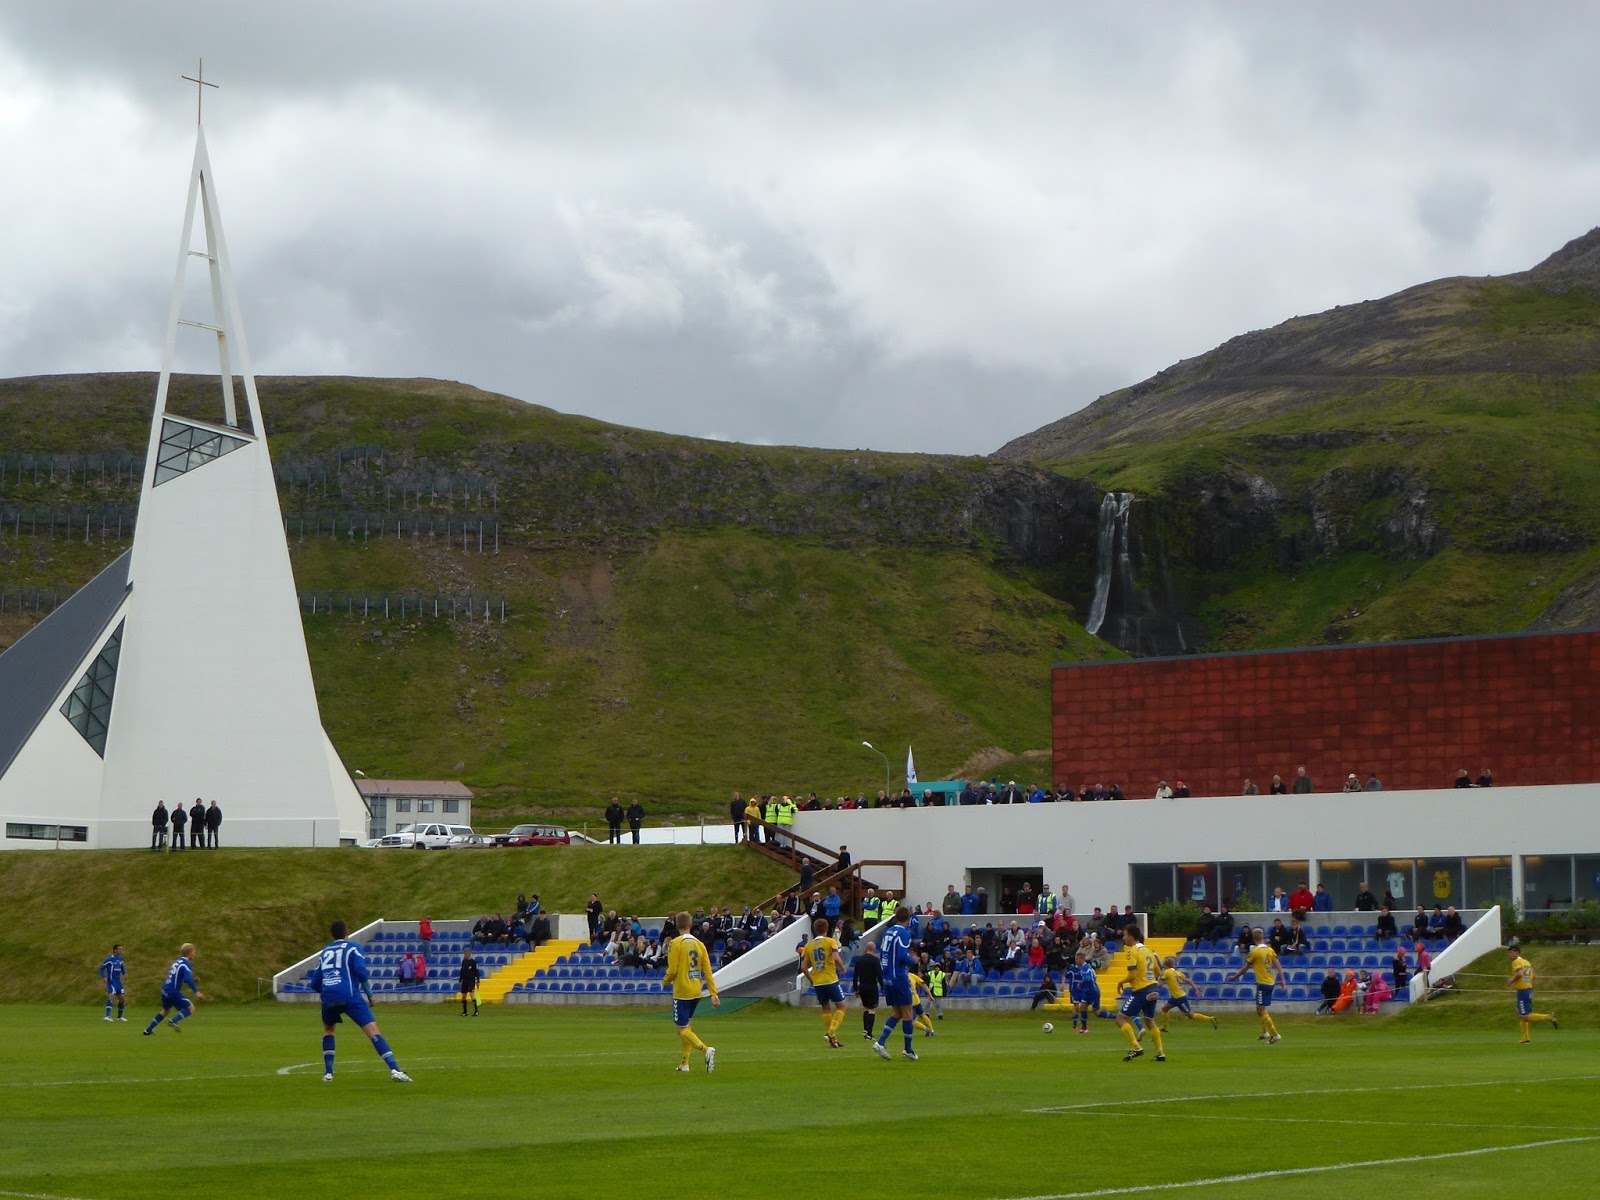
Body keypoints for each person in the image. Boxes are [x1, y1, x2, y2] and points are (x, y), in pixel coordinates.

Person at [310, 920, 411, 1082]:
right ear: (347, 933)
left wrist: (329, 990)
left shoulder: (325, 951)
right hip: (350, 995)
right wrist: (370, 995)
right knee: (373, 1031)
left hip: (328, 996)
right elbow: (361, 972)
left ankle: (328, 1074)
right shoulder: (353, 948)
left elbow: (314, 983)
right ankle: (395, 1070)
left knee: (329, 1030)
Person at [663, 910, 720, 1072]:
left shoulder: (676, 943)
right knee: (687, 1026)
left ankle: (705, 1049)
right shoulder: (700, 944)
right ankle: (685, 1063)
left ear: (677, 925)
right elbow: (708, 971)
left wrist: (665, 981)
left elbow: (673, 969)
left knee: (681, 1029)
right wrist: (713, 993)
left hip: (682, 990)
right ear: (691, 925)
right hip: (696, 990)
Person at [872, 908, 919, 1061]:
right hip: (898, 976)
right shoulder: (904, 933)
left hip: (887, 977)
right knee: (908, 1013)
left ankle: (881, 1042)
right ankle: (908, 1049)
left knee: (898, 1013)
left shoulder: (888, 932)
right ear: (909, 918)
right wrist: (913, 960)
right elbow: (901, 956)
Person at [1115, 927, 1166, 1062]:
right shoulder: (1149, 950)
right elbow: (1158, 972)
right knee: (1149, 1020)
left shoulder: (1133, 950)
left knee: (1120, 1019)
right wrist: (1151, 982)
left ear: (1131, 936)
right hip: (1153, 988)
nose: (1123, 938)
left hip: (1141, 990)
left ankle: (1136, 1047)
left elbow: (1132, 974)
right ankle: (1160, 1053)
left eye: (1125, 935)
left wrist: (1121, 982)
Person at [1228, 928, 1285, 1043]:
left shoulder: (1254, 952)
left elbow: (1245, 967)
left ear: (1254, 938)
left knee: (1260, 1009)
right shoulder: (1269, 950)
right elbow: (1278, 964)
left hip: (1263, 983)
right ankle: (1265, 1032)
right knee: (1262, 1008)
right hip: (1271, 982)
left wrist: (1235, 977)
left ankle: (1275, 1034)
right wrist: (1282, 980)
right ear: (1263, 936)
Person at [799, 917, 848, 1048]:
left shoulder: (808, 946)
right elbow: (836, 957)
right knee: (842, 1006)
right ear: (826, 929)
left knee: (826, 1009)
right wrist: (842, 967)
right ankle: (830, 1032)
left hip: (818, 982)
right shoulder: (830, 941)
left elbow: (803, 967)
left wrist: (812, 979)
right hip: (830, 979)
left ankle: (833, 1040)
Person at [141, 943, 206, 1035]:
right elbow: (187, 978)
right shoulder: (186, 964)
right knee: (191, 1008)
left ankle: (148, 1030)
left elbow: (178, 978)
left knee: (165, 1010)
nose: (194, 954)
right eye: (194, 952)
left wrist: (192, 981)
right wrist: (196, 992)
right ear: (189, 953)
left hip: (165, 989)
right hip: (173, 991)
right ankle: (174, 1021)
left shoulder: (177, 962)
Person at [1507, 944, 1557, 1044]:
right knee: (1519, 1012)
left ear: (1516, 952)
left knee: (1524, 1016)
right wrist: (1528, 983)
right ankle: (1526, 1038)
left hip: (1523, 991)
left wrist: (1512, 980)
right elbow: (1534, 976)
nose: (1509, 955)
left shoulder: (1516, 962)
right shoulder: (1526, 962)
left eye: (1510, 952)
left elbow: (1520, 973)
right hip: (1528, 990)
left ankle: (1548, 1017)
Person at [1159, 956, 1217, 1031]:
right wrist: (1196, 989)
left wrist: (1152, 983)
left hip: (1180, 998)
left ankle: (1210, 1019)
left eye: (1164, 964)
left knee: (1190, 1015)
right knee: (1164, 1009)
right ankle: (1165, 1027)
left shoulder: (1166, 972)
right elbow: (1188, 980)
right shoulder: (1178, 973)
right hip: (1175, 997)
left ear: (1165, 965)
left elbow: (1160, 985)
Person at [852, 940, 881, 1041]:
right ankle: (869, 1033)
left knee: (866, 1008)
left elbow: (855, 976)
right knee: (872, 1009)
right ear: (874, 949)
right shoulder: (875, 960)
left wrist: (855, 988)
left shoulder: (859, 960)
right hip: (872, 986)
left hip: (862, 986)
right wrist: (883, 987)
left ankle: (865, 1029)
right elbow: (879, 975)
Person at [99, 943, 128, 1022]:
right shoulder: (109, 960)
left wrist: (124, 973)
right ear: (115, 950)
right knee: (111, 997)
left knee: (122, 999)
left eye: (121, 949)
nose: (121, 950)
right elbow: (101, 969)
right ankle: (107, 1016)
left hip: (118, 982)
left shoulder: (120, 959)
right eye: (119, 949)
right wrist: (104, 977)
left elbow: (122, 967)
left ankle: (119, 1017)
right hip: (111, 982)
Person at [458, 948, 482, 1017]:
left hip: (471, 980)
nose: (465, 955)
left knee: (472, 994)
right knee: (463, 996)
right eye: (464, 954)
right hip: (465, 981)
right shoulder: (464, 962)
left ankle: (476, 1011)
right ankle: (465, 1012)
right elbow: (462, 971)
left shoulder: (474, 962)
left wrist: (478, 981)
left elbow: (477, 972)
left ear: (470, 953)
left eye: (466, 953)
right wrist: (460, 980)